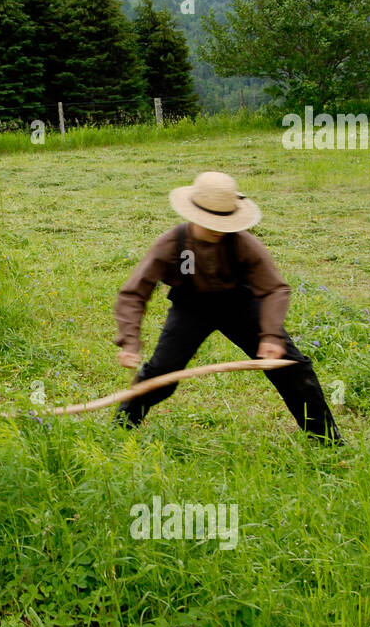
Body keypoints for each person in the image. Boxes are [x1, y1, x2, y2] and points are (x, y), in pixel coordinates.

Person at [113, 171, 343, 443]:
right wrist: (129, 340)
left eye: (223, 222)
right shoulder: (172, 244)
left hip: (240, 304)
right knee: (161, 374)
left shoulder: (243, 243)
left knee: (292, 368)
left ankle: (326, 440)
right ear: (194, 214)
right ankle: (121, 428)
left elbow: (275, 288)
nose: (217, 229)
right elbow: (135, 291)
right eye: (211, 222)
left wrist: (270, 335)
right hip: (191, 308)